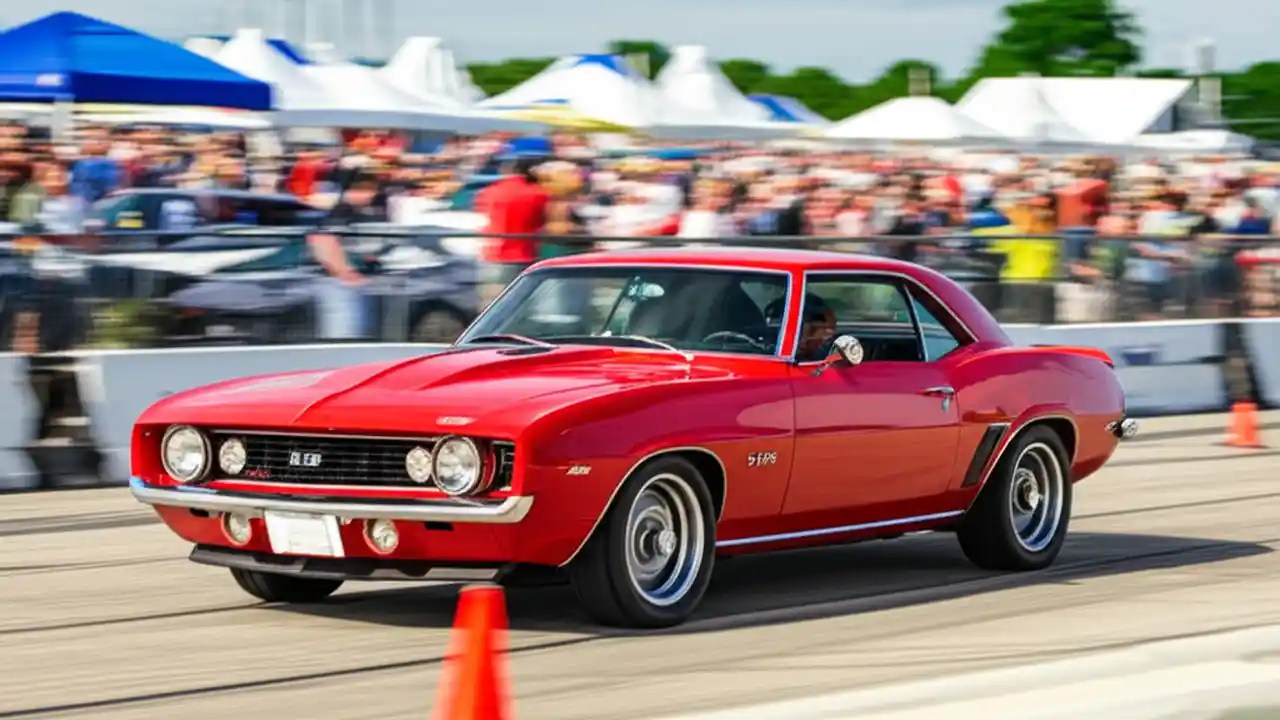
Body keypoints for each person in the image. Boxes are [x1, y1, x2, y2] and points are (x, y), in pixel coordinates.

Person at [474, 153, 549, 304]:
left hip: (492, 255)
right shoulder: (537, 193)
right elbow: (543, 221)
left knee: (492, 307)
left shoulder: (490, 190)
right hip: (522, 254)